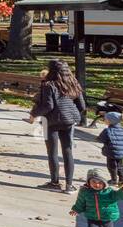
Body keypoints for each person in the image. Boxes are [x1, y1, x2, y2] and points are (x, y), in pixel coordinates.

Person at [29, 59, 87, 193]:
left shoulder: (48, 85)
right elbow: (82, 106)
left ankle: (54, 182)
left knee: (52, 153)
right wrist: (70, 113)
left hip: (51, 122)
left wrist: (33, 115)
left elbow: (48, 106)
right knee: (68, 151)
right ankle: (69, 185)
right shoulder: (74, 83)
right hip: (69, 121)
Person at [97, 110, 123, 185]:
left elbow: (100, 139)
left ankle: (114, 180)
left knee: (111, 167)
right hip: (121, 153)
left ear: (110, 121)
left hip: (111, 152)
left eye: (106, 119)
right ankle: (122, 180)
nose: (104, 120)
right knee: (120, 167)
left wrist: (99, 139)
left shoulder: (107, 131)